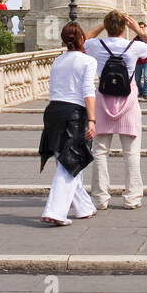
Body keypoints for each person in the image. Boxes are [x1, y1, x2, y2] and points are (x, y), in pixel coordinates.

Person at [84, 11, 147, 210]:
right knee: (131, 153)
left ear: (107, 26)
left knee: (99, 152)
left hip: (102, 102)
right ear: (124, 28)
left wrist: (101, 25)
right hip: (129, 104)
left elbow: (85, 38)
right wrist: (138, 30)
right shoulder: (135, 47)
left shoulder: (95, 46)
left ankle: (100, 198)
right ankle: (132, 198)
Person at [38, 22, 98, 225]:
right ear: (82, 39)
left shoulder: (57, 61)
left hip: (53, 111)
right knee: (70, 162)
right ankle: (55, 211)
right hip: (74, 113)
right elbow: (88, 92)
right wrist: (91, 120)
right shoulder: (88, 61)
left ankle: (84, 207)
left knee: (66, 159)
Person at [134, 21, 147, 100]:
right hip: (138, 61)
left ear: (145, 28)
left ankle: (146, 93)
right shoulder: (135, 39)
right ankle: (141, 91)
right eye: (140, 27)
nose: (141, 29)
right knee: (137, 79)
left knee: (146, 77)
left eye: (143, 27)